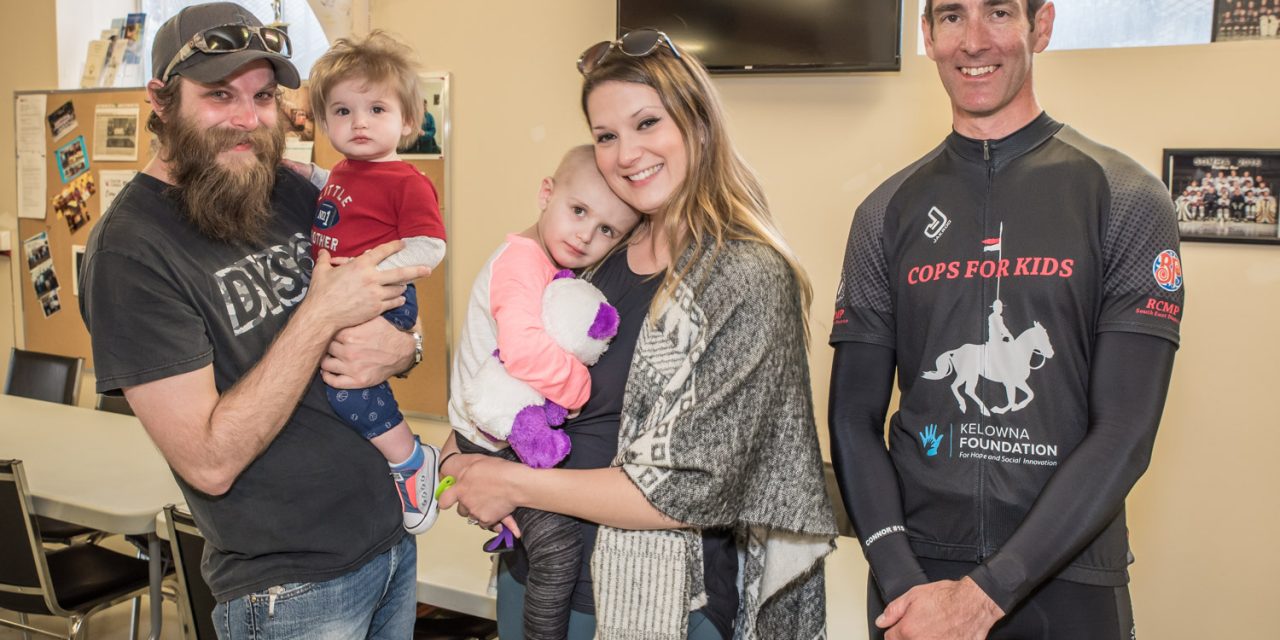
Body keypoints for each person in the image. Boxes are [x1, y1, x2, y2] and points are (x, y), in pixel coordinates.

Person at [440, 29, 837, 640]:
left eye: (647, 123)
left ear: (697, 123)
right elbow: (514, 366)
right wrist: (462, 455)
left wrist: (508, 481)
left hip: (658, 602)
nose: (626, 154)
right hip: (535, 570)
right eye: (606, 135)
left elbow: (691, 488)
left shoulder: (745, 277)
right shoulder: (597, 251)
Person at [828, 1, 1184, 639]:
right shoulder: (884, 212)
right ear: (927, 36)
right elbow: (853, 420)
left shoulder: (1126, 197)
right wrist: (902, 581)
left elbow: (1125, 431)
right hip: (915, 586)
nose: (973, 41)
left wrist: (988, 594)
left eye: (997, 11)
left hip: (1066, 577)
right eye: (951, 16)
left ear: (1040, 26)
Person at [78, 3, 425, 638]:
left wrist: (405, 348)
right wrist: (320, 314)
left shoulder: (287, 188)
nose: (248, 118)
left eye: (263, 96)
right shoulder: (129, 253)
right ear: (160, 100)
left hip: (390, 542)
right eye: (219, 95)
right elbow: (209, 462)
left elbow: (383, 302)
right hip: (291, 591)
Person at [448, 144, 640, 639]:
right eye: (579, 211)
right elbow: (522, 351)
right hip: (489, 436)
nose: (586, 235)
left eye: (607, 230)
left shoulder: (545, 260)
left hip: (502, 425)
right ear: (545, 193)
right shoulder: (520, 262)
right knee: (557, 552)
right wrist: (579, 389)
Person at [307, 30, 448, 535]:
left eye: (376, 109)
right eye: (343, 111)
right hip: (344, 296)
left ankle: (411, 460)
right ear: (325, 122)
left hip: (381, 298)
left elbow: (430, 246)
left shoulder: (407, 181)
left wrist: (366, 277)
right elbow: (344, 204)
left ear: (407, 120)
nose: (359, 122)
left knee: (349, 391)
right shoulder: (345, 171)